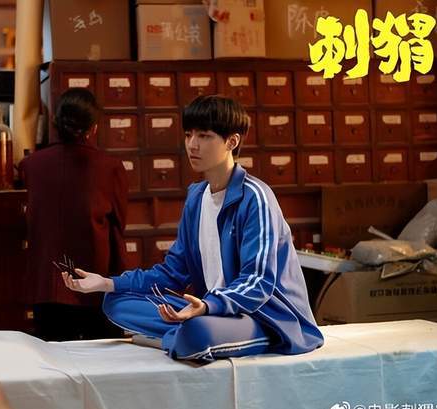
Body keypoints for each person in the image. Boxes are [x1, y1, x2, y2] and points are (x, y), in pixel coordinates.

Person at [61, 95, 324, 361]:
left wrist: (209, 306)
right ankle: (184, 335)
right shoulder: (197, 198)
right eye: (188, 135)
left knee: (197, 332)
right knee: (116, 301)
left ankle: (188, 336)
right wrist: (107, 282)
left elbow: (258, 282)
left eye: (204, 136)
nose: (192, 145)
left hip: (263, 316)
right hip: (211, 310)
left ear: (232, 142)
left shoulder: (255, 197)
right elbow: (172, 272)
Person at [24, 88, 127, 341]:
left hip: (47, 287)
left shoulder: (31, 166)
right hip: (95, 284)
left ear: (55, 122)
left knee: (52, 359)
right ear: (93, 127)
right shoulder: (110, 167)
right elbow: (118, 225)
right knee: (101, 358)